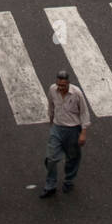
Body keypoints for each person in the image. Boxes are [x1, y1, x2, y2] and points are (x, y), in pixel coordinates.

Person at [40, 70, 91, 198]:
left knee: (72, 158)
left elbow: (84, 113)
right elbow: (51, 105)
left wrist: (83, 133)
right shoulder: (52, 89)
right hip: (57, 127)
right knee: (51, 158)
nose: (61, 88)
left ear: (68, 83)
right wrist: (51, 121)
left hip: (73, 129)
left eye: (63, 85)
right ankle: (50, 185)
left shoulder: (77, 93)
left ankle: (69, 180)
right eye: (59, 85)